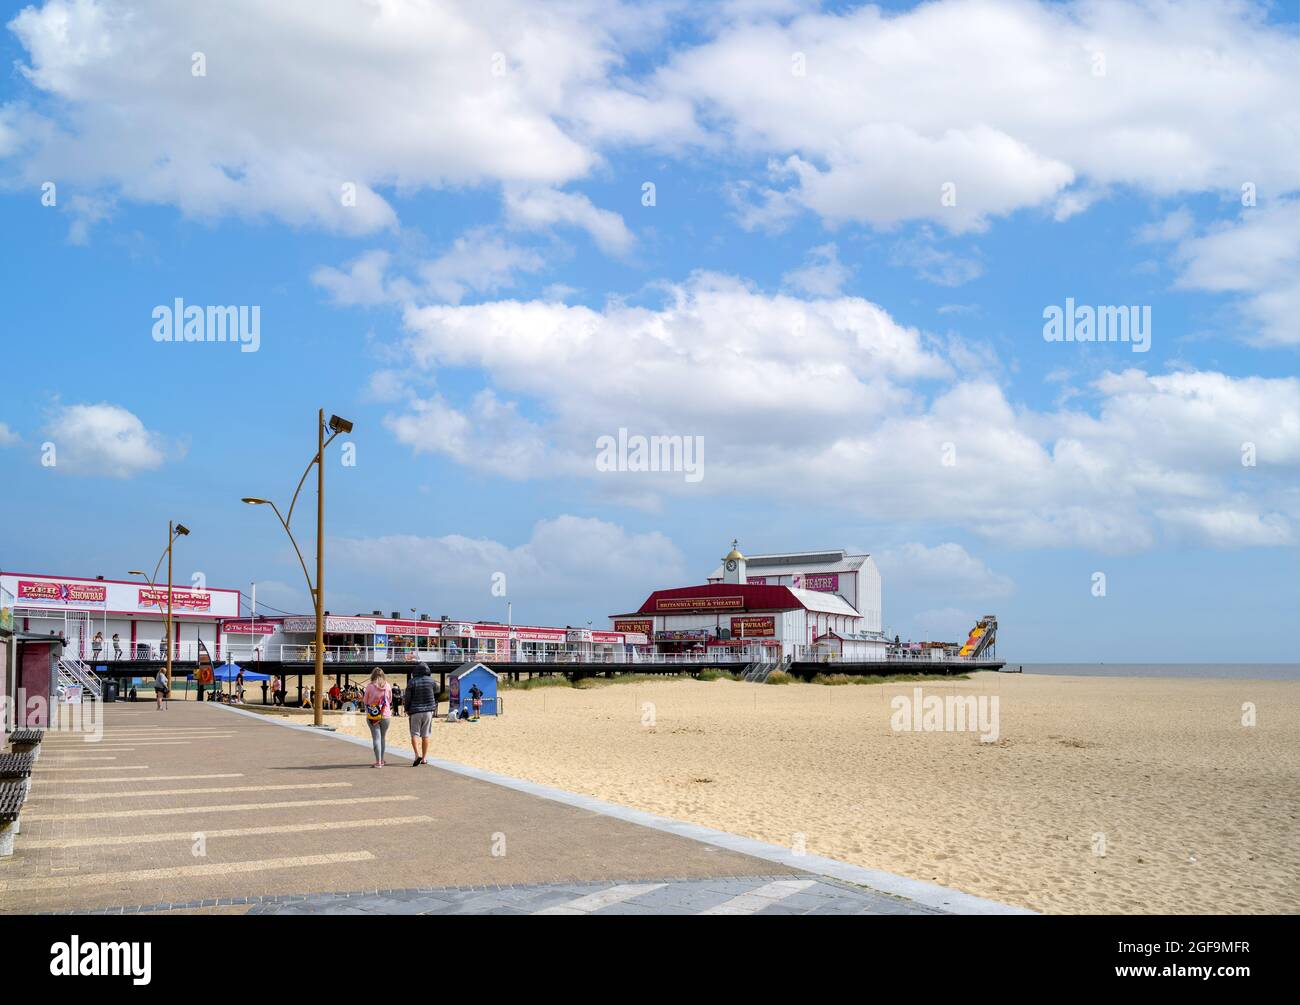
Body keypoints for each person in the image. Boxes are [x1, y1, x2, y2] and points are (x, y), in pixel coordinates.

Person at [404, 663, 438, 766]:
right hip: (428, 711)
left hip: (415, 711)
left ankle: (416, 755)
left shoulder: (412, 681)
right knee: (425, 735)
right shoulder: (432, 681)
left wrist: (407, 709)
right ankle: (424, 758)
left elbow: (408, 697)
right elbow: (436, 692)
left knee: (414, 734)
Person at [363, 668, 392, 767]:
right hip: (386, 714)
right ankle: (382, 760)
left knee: (376, 738)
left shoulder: (370, 686)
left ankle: (378, 761)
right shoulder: (387, 686)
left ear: (373, 675)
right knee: (383, 738)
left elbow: (365, 701)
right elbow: (390, 699)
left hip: (373, 715)